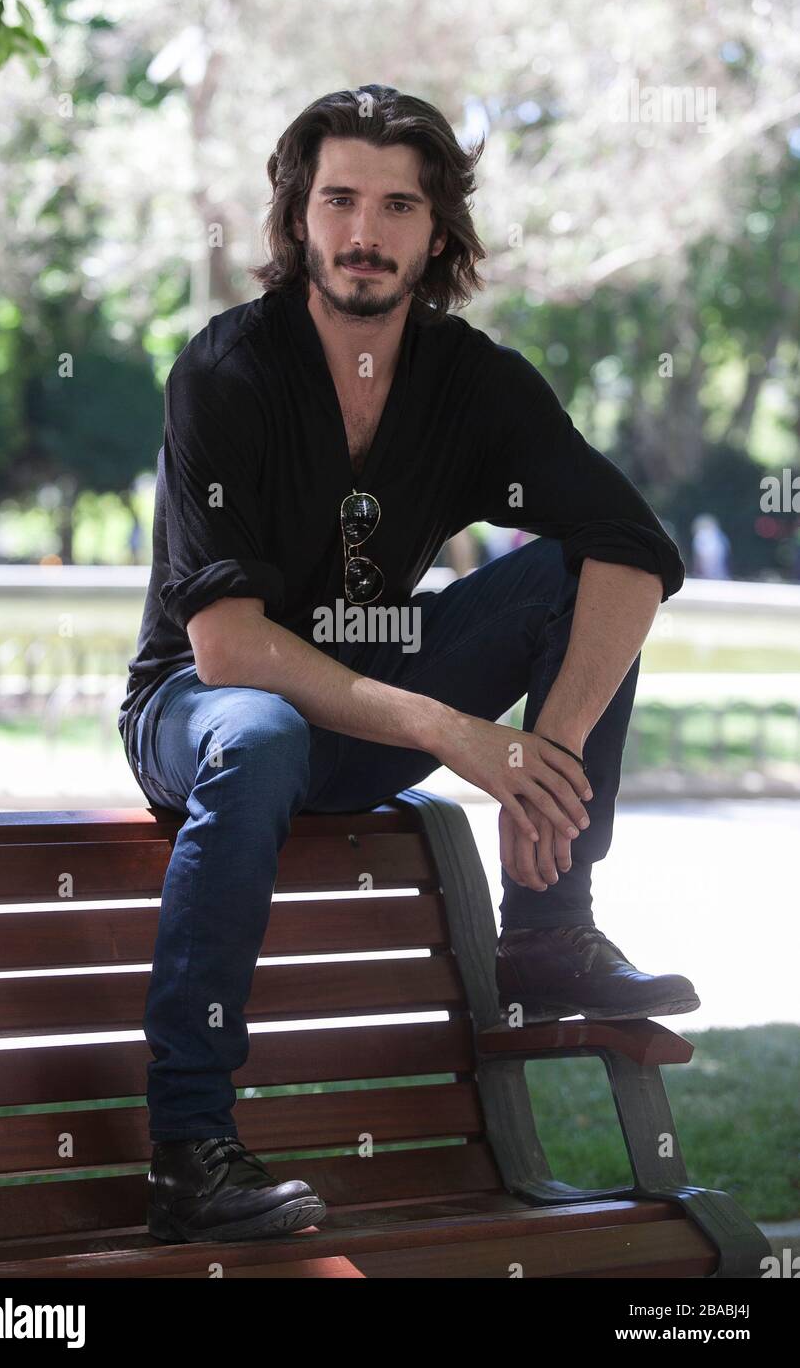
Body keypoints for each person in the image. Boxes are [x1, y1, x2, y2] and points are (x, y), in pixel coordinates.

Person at [117, 84, 699, 1246]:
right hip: (198, 707)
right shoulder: (226, 371)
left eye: (397, 205)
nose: (363, 232)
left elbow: (633, 549)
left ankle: (545, 931)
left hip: (366, 701)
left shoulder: (471, 382)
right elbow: (226, 645)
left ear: (438, 232)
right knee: (261, 724)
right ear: (296, 220)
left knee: (579, 584)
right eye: (337, 200)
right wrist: (452, 731)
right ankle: (188, 1149)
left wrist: (550, 752)